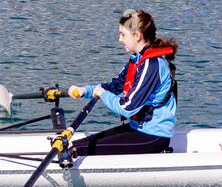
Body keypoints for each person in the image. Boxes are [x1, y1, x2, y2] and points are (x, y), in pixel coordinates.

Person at [67, 9, 177, 155]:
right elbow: (115, 86)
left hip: (153, 136)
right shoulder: (137, 60)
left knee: (76, 151)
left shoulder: (152, 65)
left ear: (137, 36)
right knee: (76, 145)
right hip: (137, 128)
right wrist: (85, 91)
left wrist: (102, 93)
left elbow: (127, 107)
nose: (120, 39)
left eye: (123, 34)